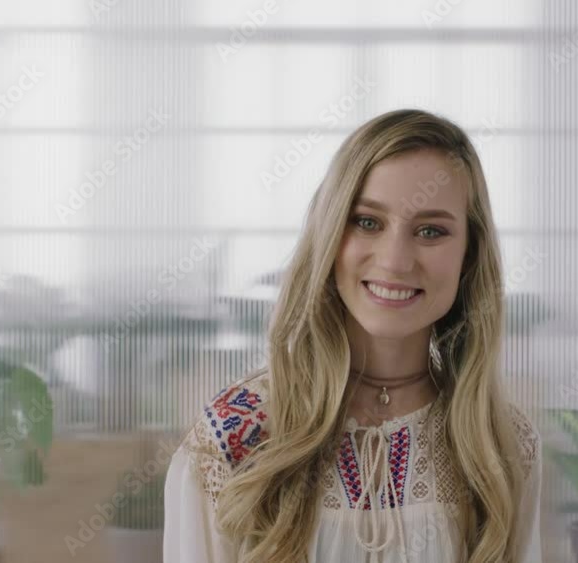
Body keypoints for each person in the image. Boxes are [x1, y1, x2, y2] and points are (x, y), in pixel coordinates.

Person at [163, 109, 543, 562]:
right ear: (329, 233)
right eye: (368, 221)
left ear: (469, 255)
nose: (396, 260)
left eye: (431, 231)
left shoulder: (502, 445)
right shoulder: (235, 435)